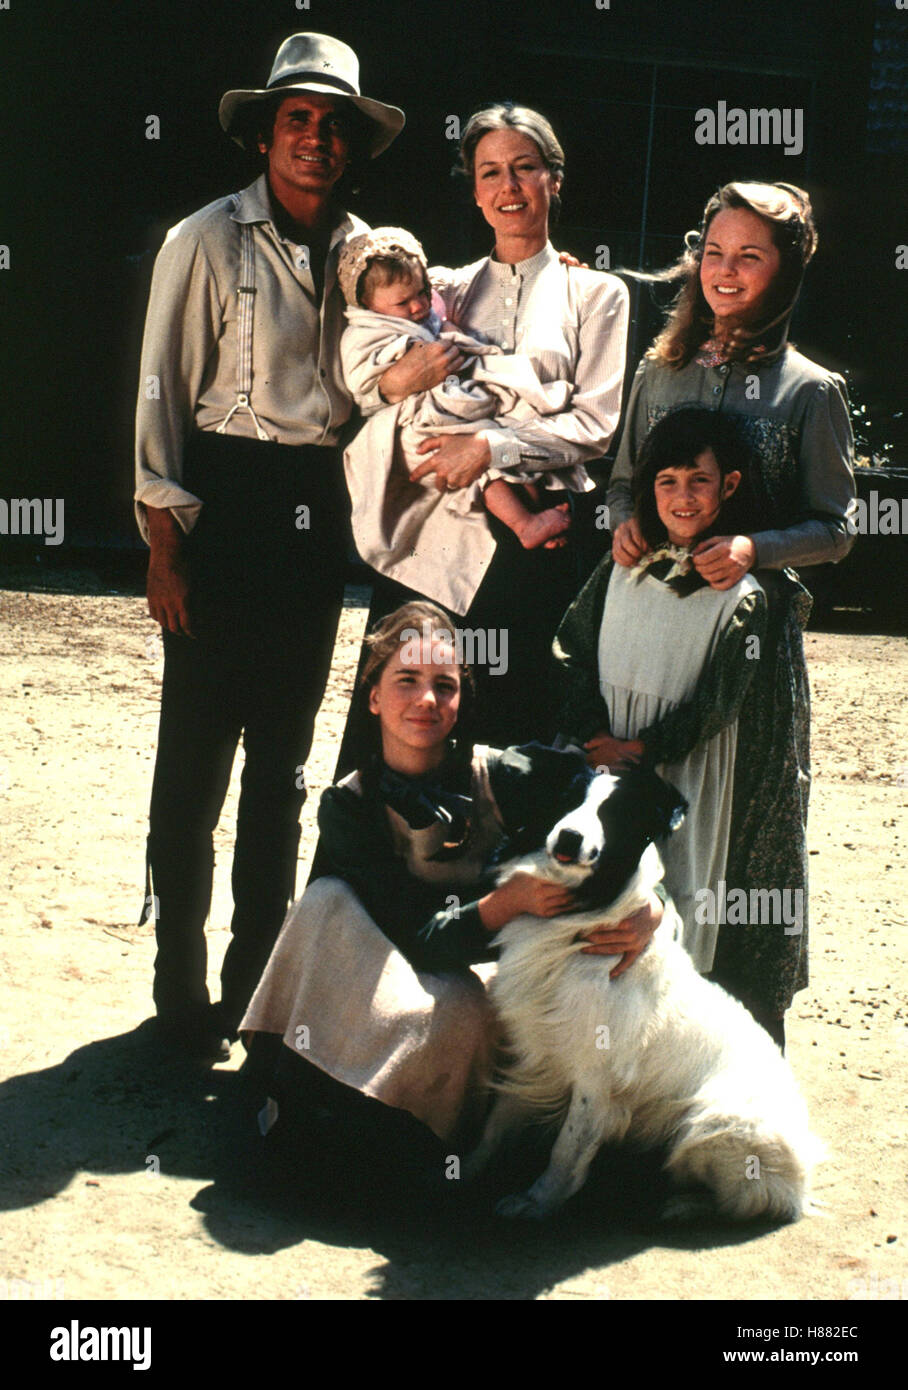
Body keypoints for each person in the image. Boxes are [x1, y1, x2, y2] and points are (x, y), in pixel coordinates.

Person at [133, 32, 405, 1059]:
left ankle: (254, 989)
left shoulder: (368, 255)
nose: (315, 139)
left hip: (309, 509)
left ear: (351, 145)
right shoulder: (201, 240)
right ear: (263, 133)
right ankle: (177, 989)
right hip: (219, 502)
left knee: (280, 771)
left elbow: (383, 392)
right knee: (191, 767)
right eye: (297, 119)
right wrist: (163, 544)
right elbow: (160, 393)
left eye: (334, 124)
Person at [241, 602, 666, 1148]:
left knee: (462, 1012)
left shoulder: (507, 774)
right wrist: (506, 903)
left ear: (461, 701)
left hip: (486, 983)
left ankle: (424, 1143)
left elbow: (617, 812)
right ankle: (308, 1100)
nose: (426, 700)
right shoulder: (349, 805)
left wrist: (650, 905)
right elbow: (414, 931)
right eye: (407, 681)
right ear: (373, 697)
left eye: (444, 685)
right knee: (324, 901)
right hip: (388, 965)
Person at [604, 181, 856, 1048]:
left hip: (749, 665)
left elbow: (836, 529)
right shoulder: (660, 368)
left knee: (743, 846)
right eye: (715, 252)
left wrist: (757, 550)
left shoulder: (810, 392)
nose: (726, 271)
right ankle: (632, 1068)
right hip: (647, 648)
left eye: (750, 255)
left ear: (785, 269)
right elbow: (622, 485)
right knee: (645, 820)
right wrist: (624, 528)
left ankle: (739, 1070)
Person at [338, 103, 629, 754]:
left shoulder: (599, 295)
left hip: (534, 543)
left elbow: (597, 423)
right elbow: (364, 382)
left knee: (512, 740)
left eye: (526, 168)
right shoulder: (436, 288)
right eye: (490, 171)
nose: (509, 187)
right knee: (405, 733)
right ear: (472, 188)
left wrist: (492, 444)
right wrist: (397, 381)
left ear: (555, 178)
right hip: (430, 533)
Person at [554, 407, 769, 981]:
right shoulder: (623, 565)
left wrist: (643, 750)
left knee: (667, 896)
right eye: (667, 482)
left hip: (676, 768)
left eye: (699, 481)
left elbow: (718, 703)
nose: (683, 497)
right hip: (598, 751)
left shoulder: (740, 597)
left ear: (728, 485)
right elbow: (573, 648)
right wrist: (595, 735)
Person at [337, 226, 583, 595]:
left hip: (444, 400)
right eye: (404, 303)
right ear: (367, 304)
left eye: (422, 293)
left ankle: (535, 505)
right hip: (411, 422)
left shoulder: (426, 303)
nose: (418, 306)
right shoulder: (362, 330)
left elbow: (457, 298)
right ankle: (525, 523)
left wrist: (553, 270)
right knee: (469, 449)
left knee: (493, 431)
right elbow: (364, 378)